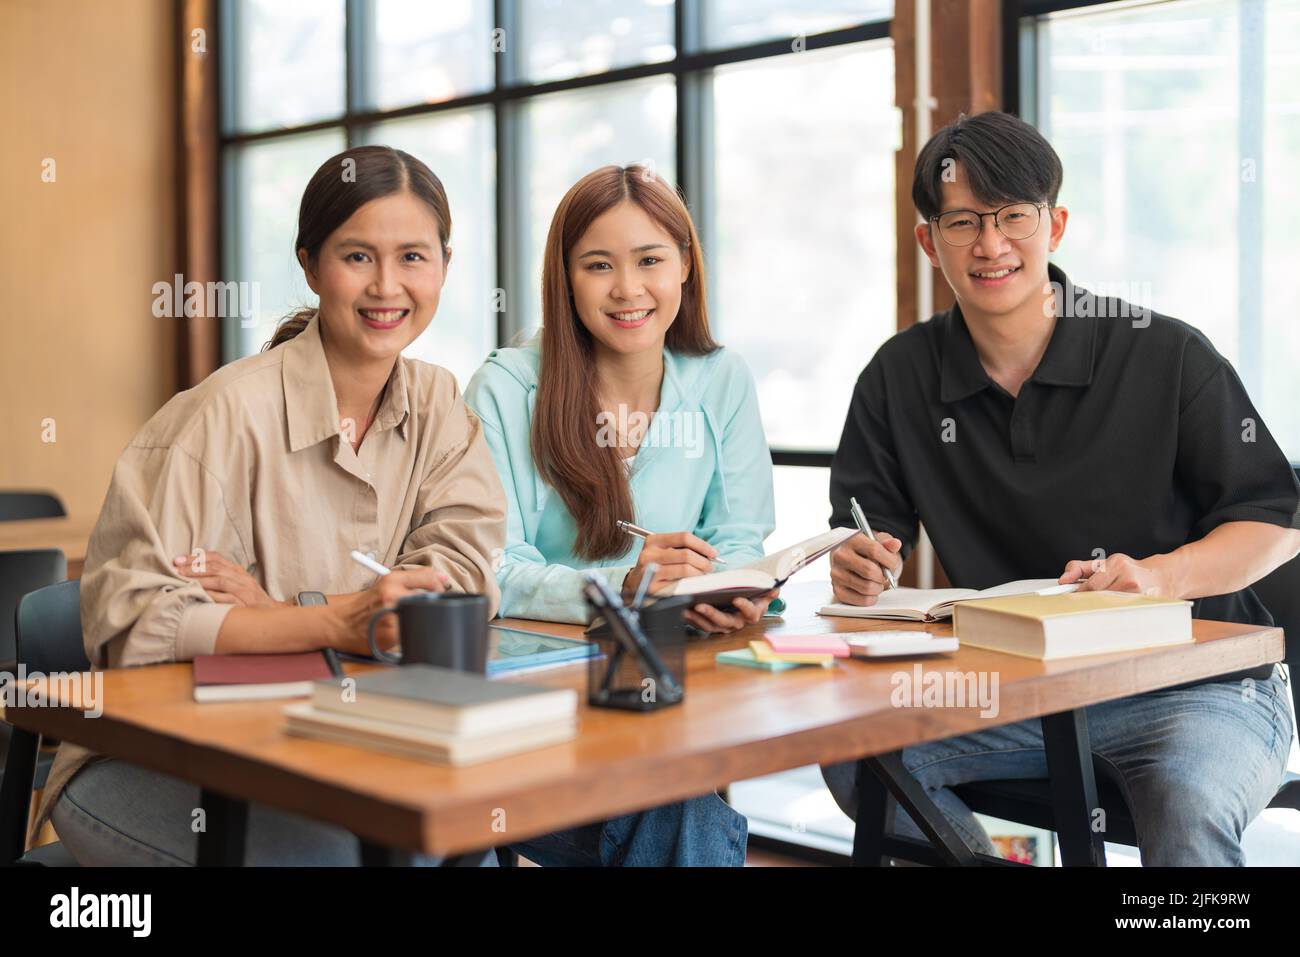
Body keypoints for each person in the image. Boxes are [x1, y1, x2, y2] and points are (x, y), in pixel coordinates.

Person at [822, 111, 1300, 866]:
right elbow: (867, 536)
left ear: (1056, 223)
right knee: (859, 750)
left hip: (1201, 686)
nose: (991, 244)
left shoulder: (1163, 351)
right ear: (928, 240)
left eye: (1015, 215)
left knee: (1187, 808)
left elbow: (1275, 519)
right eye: (963, 222)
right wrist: (857, 560)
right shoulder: (898, 376)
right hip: (1015, 692)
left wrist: (1158, 576)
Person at [38, 145, 507, 866]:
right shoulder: (220, 415)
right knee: (336, 858)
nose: (388, 285)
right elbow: (136, 626)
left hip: (333, 741)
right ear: (311, 264)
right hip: (157, 760)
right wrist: (336, 619)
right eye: (358, 256)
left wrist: (271, 612)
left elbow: (465, 577)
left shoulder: (441, 405)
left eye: (414, 256)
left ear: (444, 264)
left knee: (451, 832)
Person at [464, 165, 776, 865]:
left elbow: (739, 537)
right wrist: (621, 588)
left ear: (686, 267)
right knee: (683, 821)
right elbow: (488, 566)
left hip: (672, 688)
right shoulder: (507, 389)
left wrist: (720, 589)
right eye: (598, 265)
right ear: (565, 278)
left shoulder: (721, 378)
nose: (628, 289)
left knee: (681, 813)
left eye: (650, 261)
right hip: (532, 701)